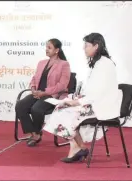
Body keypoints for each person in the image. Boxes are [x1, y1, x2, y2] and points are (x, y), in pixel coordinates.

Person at [43, 33, 122, 163]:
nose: (83, 48)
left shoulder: (105, 64)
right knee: (61, 108)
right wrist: (77, 98)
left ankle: (77, 147)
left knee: (64, 111)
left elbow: (98, 93)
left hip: (102, 106)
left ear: (96, 46)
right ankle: (77, 146)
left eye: (86, 45)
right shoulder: (98, 63)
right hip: (94, 102)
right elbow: (93, 90)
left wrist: (77, 102)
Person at [15, 38, 71, 147]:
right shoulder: (41, 63)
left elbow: (62, 85)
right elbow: (34, 78)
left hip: (52, 96)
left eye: (49, 48)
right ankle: (35, 134)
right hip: (37, 94)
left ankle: (36, 134)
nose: (46, 50)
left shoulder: (64, 64)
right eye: (46, 47)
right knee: (20, 105)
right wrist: (33, 89)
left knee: (36, 109)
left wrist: (44, 92)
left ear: (57, 50)